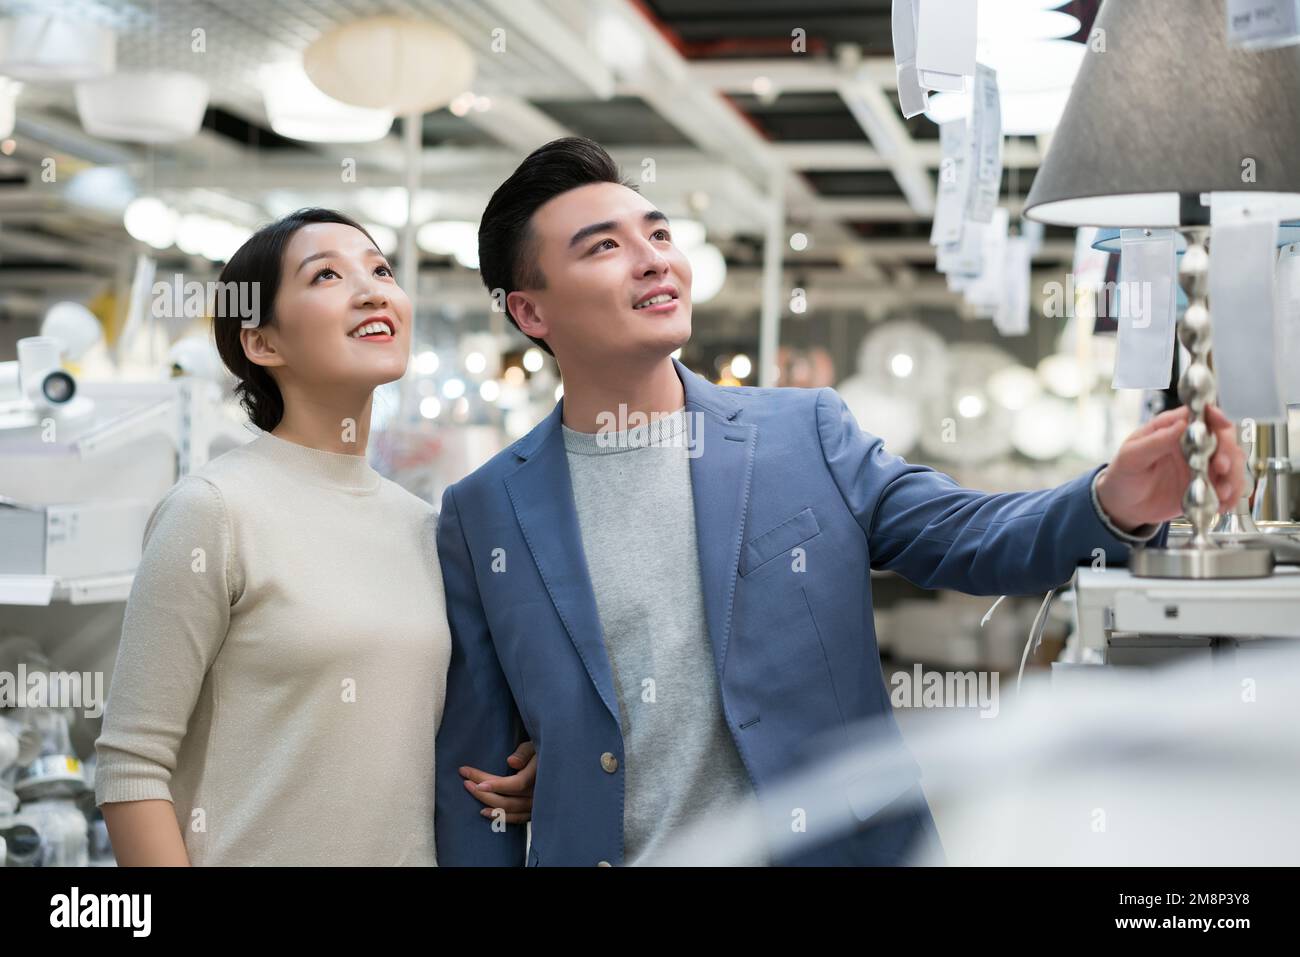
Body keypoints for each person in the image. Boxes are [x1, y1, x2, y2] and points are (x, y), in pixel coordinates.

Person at [433, 138, 1247, 867]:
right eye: (603, 248)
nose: (653, 260)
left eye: (657, 234)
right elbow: (480, 774)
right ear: (530, 310)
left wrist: (1109, 499)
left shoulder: (802, 432)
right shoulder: (484, 511)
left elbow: (968, 537)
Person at [95, 208, 535, 865]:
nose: (372, 288)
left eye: (381, 268)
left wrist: (524, 764)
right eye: (326, 274)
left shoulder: (425, 528)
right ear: (263, 343)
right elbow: (131, 767)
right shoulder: (214, 511)